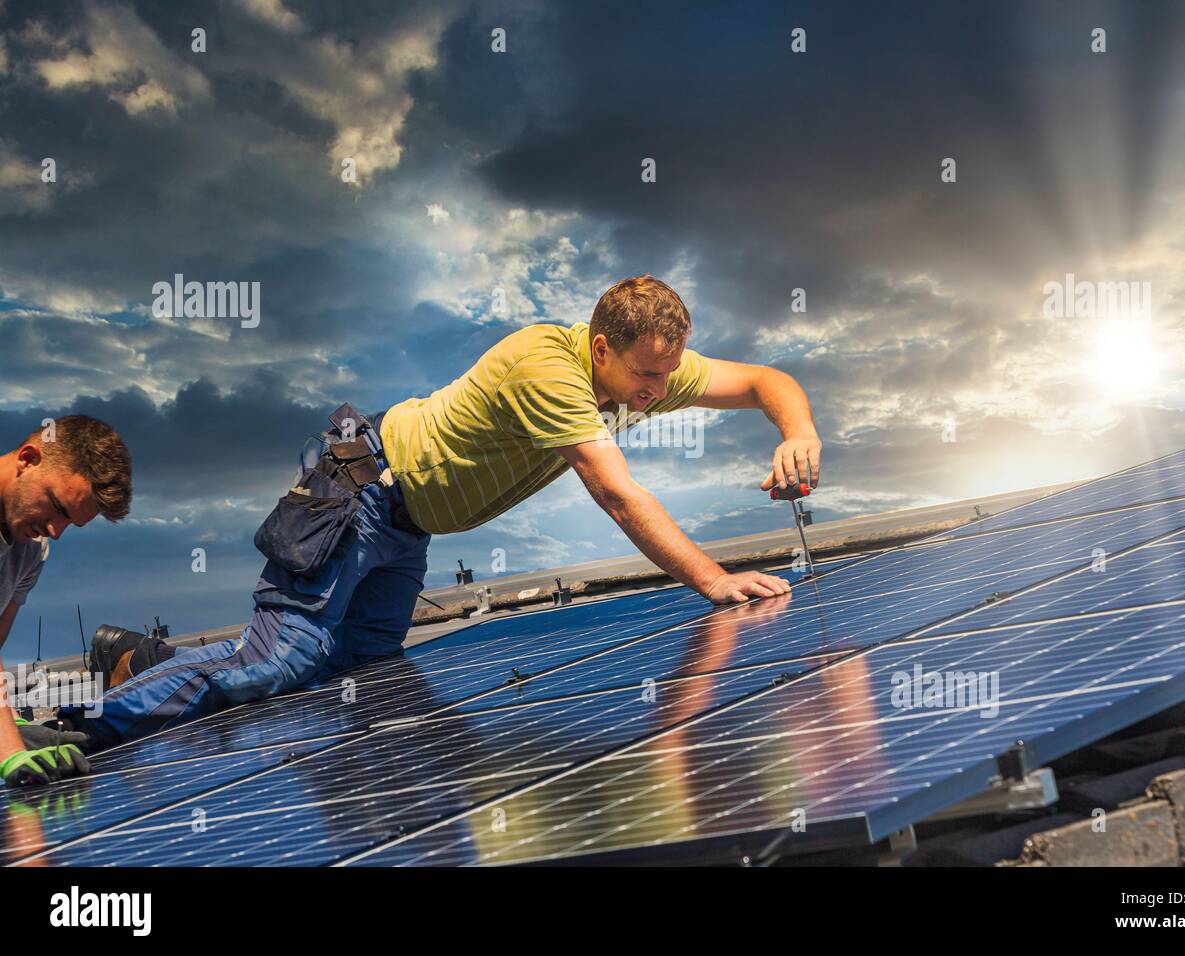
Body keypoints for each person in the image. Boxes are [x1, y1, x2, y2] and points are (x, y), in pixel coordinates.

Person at [69, 275, 822, 749]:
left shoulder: (649, 362)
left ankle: (143, 661)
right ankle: (86, 727)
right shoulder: (549, 369)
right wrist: (712, 580)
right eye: (646, 376)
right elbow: (618, 495)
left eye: (667, 374)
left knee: (359, 669)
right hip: (356, 497)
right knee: (286, 661)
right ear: (601, 349)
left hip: (405, 524)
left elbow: (764, 379)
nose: (659, 391)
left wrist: (798, 433)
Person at [0, 416, 132, 784]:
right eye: (57, 507)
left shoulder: (31, 550)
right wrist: (9, 751)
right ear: (28, 459)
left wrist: (15, 727)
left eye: (71, 522)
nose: (55, 532)